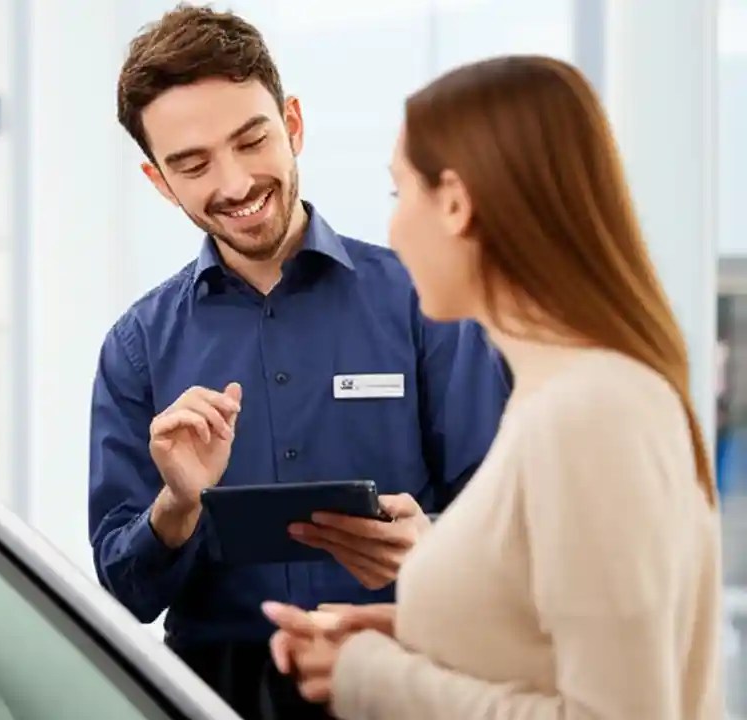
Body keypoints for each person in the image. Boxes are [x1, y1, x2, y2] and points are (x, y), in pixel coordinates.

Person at [263, 54, 724, 719]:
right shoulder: (567, 396)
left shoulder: (589, 412)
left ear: (455, 203)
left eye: (399, 194)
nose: (391, 230)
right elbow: (550, 651)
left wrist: (370, 676)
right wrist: (407, 641)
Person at [87, 5, 510, 718]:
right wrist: (177, 506)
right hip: (211, 696)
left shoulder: (427, 304)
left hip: (407, 682)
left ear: (293, 125)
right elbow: (128, 592)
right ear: (160, 181)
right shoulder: (137, 348)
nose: (235, 183)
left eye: (251, 141)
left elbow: (508, 527)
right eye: (192, 164)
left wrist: (432, 546)